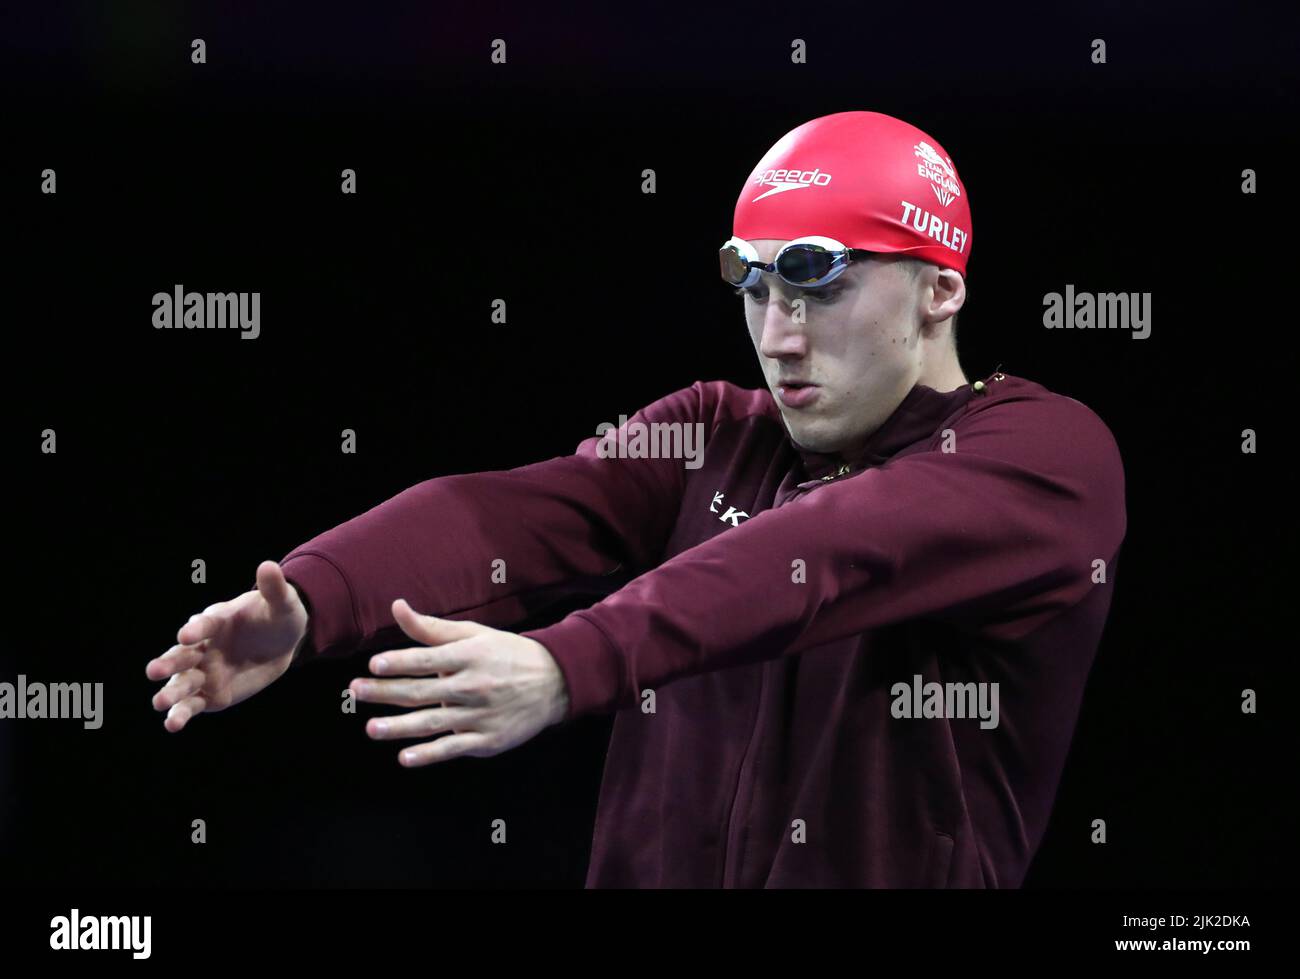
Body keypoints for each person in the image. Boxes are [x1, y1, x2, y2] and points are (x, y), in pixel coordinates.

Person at [146, 111, 1127, 887]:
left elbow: (824, 552)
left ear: (937, 287)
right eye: (753, 289)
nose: (778, 335)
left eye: (815, 283)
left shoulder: (1042, 458)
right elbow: (515, 512)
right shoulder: (712, 433)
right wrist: (319, 597)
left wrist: (571, 663)